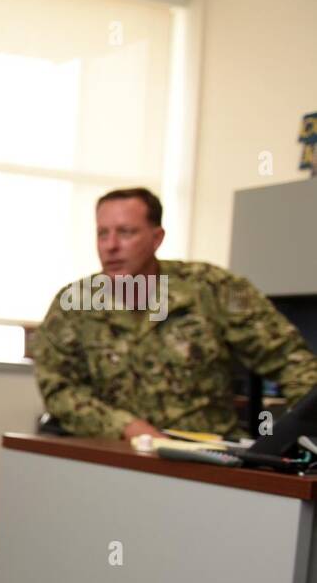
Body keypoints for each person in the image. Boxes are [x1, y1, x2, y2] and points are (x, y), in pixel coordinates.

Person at [29, 187, 317, 440]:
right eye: (102, 233)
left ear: (157, 238)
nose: (111, 245)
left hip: (208, 461)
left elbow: (292, 361)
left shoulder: (213, 287)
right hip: (113, 456)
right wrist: (125, 426)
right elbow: (59, 390)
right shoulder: (74, 303)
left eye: (126, 232)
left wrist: (296, 435)